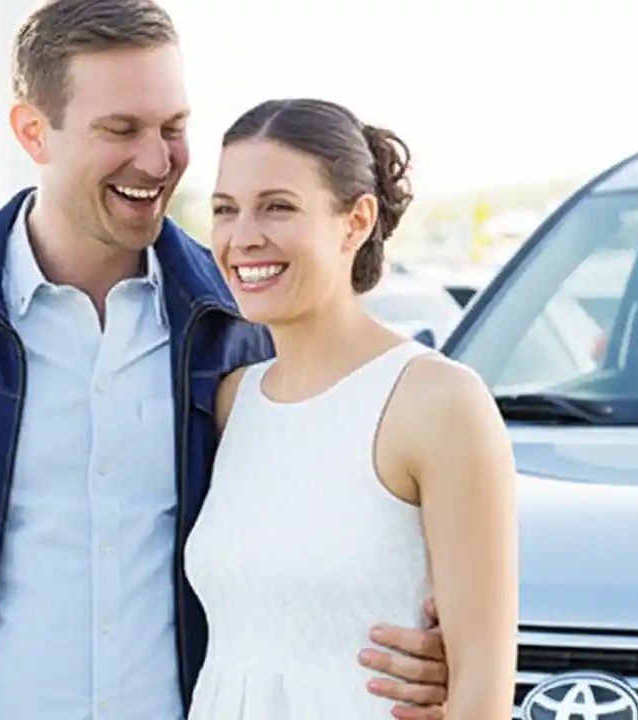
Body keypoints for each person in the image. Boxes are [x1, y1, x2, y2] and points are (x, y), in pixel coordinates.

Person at [0, 1, 453, 719]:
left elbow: (321, 544)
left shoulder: (240, 322)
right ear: (33, 132)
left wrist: (423, 645)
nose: (156, 160)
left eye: (173, 128)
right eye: (121, 130)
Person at [183, 99, 518, 719]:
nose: (243, 236)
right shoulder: (233, 403)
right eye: (226, 209)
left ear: (355, 220)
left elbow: (483, 690)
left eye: (278, 206)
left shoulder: (436, 402)